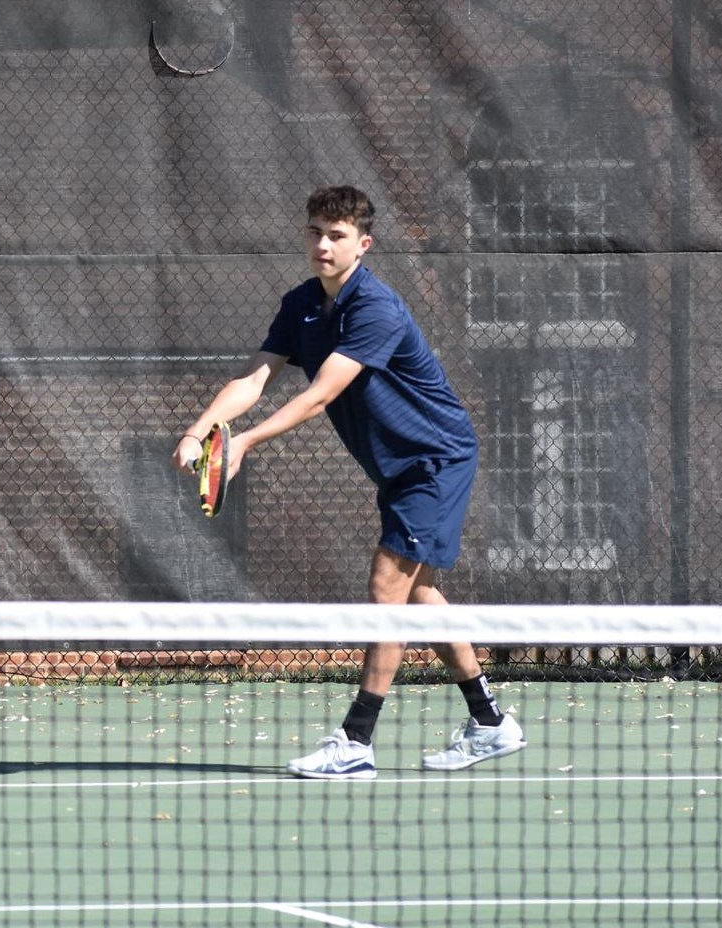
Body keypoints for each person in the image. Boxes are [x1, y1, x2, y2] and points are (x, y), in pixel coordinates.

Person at [172, 185, 526, 780]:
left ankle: (356, 741)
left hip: (433, 460)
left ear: (363, 244)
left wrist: (244, 443)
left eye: (336, 235)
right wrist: (199, 430)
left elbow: (320, 394)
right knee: (418, 594)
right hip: (396, 468)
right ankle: (489, 722)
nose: (323, 244)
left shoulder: (375, 309)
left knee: (387, 586)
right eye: (315, 232)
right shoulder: (301, 305)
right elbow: (255, 379)